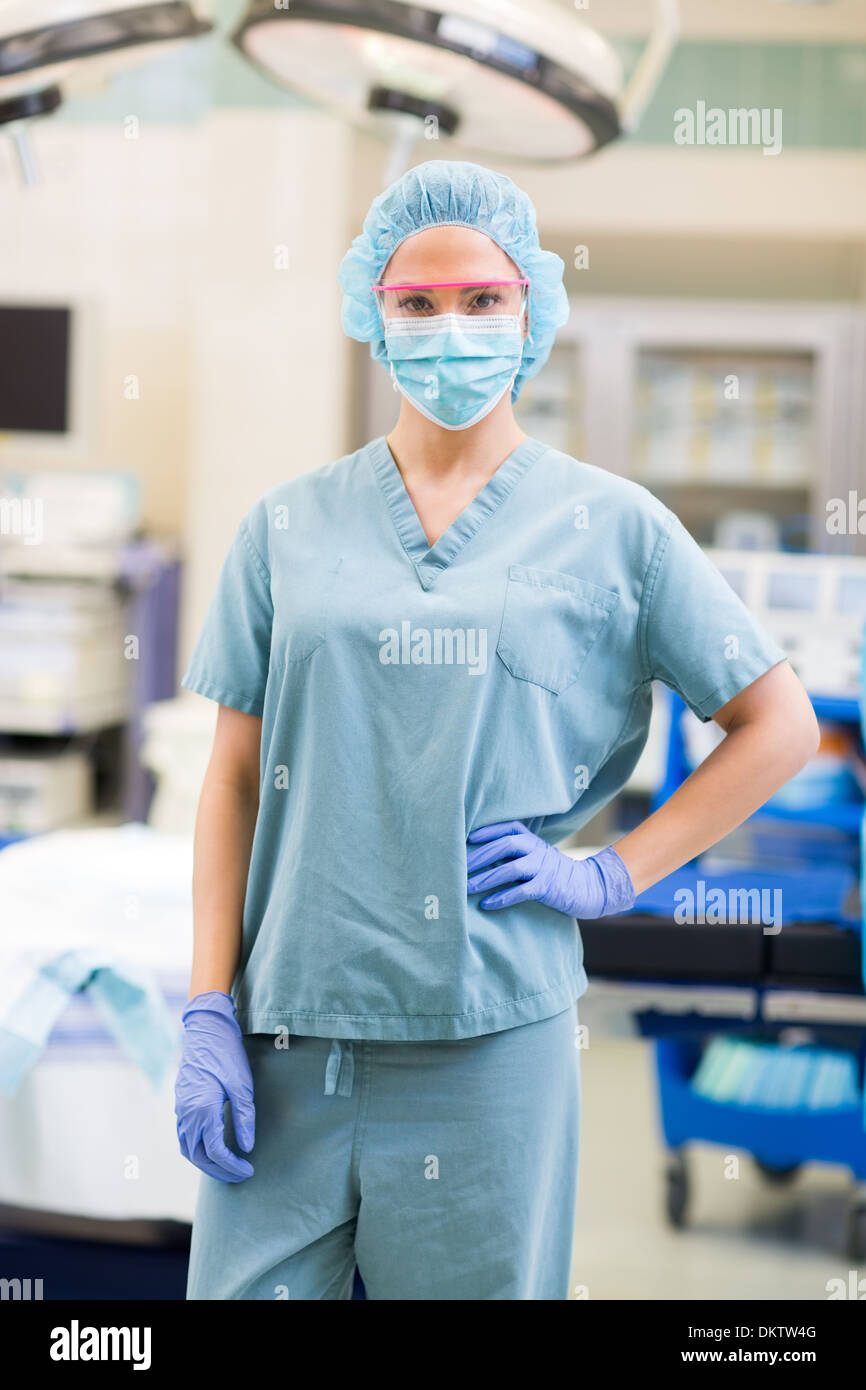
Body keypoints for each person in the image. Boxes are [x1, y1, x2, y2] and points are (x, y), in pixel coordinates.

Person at [174, 160, 819, 1301]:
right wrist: (205, 1003)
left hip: (488, 1038)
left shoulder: (613, 528)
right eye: (417, 303)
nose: (450, 329)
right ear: (373, 315)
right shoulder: (284, 526)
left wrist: (613, 872)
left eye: (483, 300)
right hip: (283, 1037)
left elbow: (774, 724)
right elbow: (229, 779)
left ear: (531, 316)